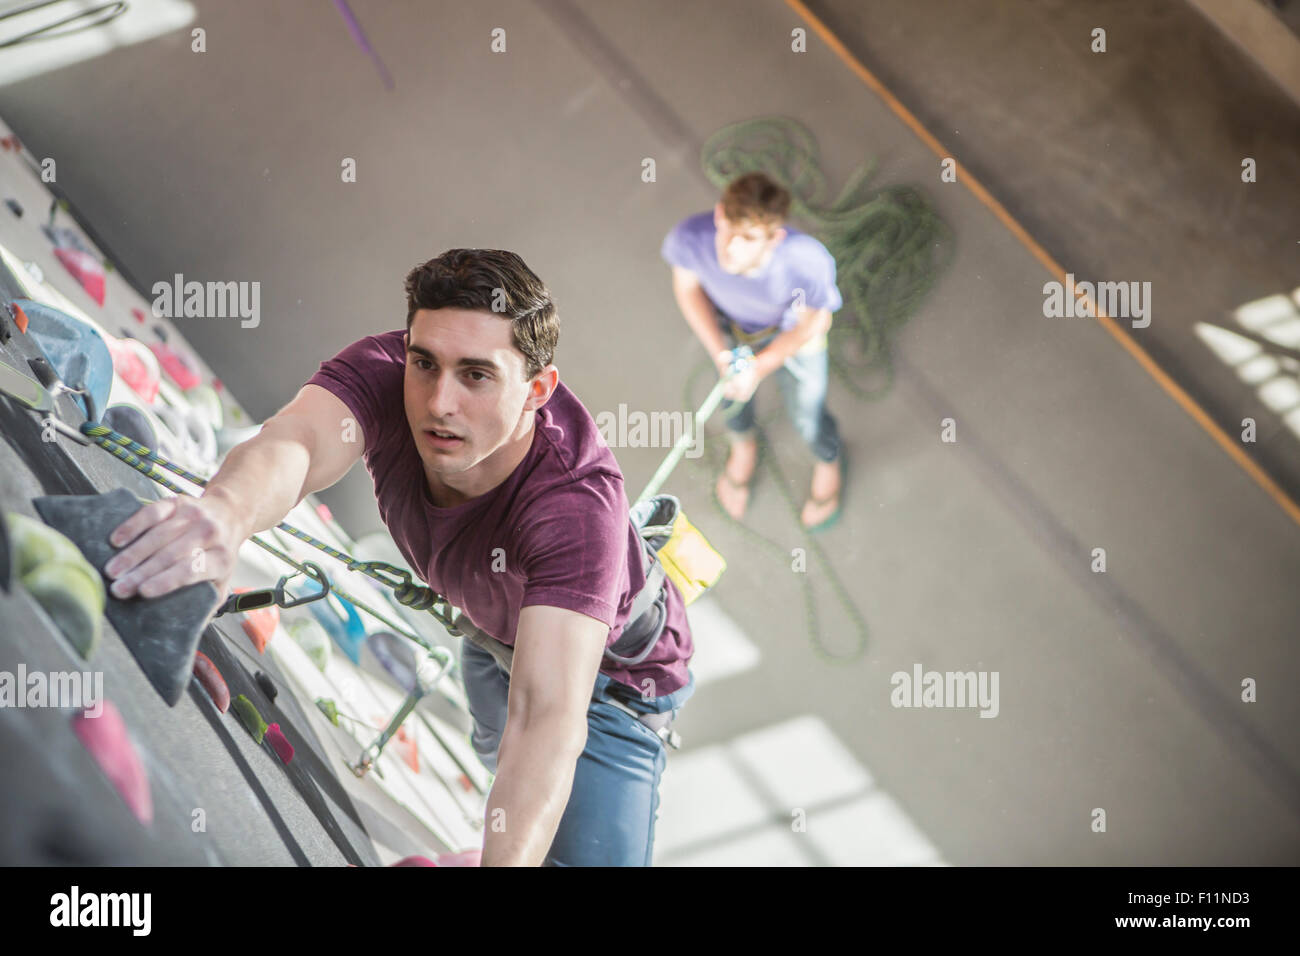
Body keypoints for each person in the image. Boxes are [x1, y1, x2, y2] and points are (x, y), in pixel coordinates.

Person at [99, 249, 695, 866]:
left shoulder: (574, 509)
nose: (439, 403)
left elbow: (545, 720)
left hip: (617, 686)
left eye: (477, 375)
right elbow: (296, 443)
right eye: (425, 362)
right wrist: (224, 514)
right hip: (493, 648)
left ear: (537, 390)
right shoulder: (386, 375)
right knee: (509, 782)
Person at [663, 171, 844, 530]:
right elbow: (687, 290)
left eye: (748, 238)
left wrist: (759, 368)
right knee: (732, 399)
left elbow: (814, 322)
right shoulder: (690, 238)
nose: (731, 247)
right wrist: (720, 353)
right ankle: (743, 447)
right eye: (728, 228)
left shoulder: (807, 261)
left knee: (808, 414)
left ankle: (829, 460)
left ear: (774, 238)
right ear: (719, 215)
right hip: (735, 331)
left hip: (793, 336)